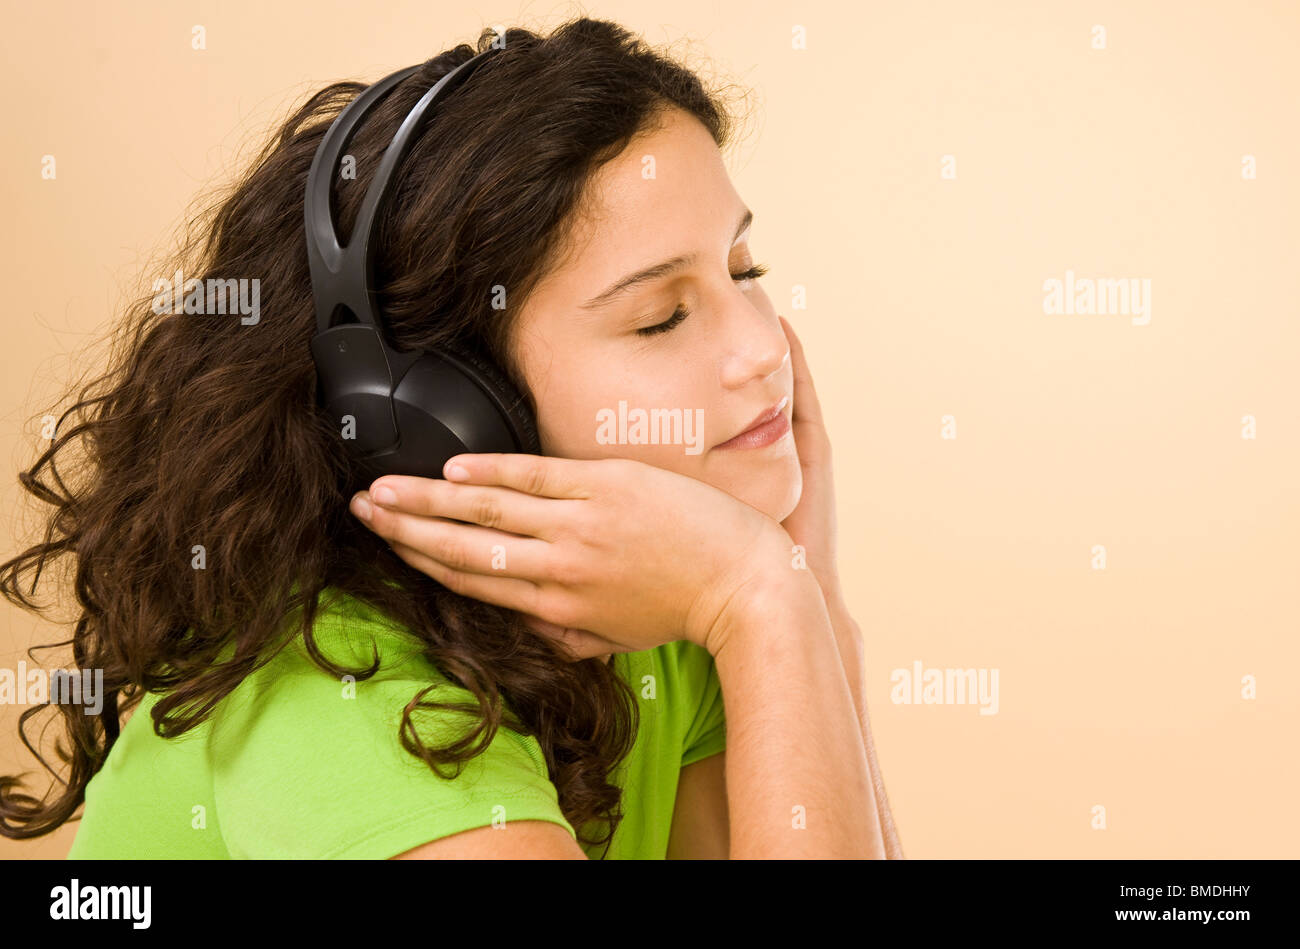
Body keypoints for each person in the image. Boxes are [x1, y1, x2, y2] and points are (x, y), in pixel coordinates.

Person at [0, 16, 900, 859]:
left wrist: (806, 603)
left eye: (747, 269)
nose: (761, 345)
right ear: (445, 408)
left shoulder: (667, 602)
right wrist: (771, 605)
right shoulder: (345, 698)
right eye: (661, 317)